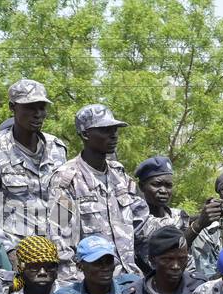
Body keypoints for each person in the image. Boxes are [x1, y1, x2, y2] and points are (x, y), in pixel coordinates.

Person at [47, 104, 150, 284]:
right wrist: (75, 291)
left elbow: (143, 223)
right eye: (105, 130)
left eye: (115, 130)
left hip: (130, 279)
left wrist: (195, 223)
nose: (114, 135)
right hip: (91, 284)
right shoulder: (66, 179)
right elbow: (59, 240)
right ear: (86, 134)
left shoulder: (119, 175)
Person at [0, 78, 68, 250]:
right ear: (12, 107)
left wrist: (64, 245)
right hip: (14, 252)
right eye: (30, 107)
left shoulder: (56, 148)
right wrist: (6, 251)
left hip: (55, 254)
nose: (37, 114)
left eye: (42, 107)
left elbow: (64, 203)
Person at [132, 156, 221, 275]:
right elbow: (171, 248)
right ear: (142, 186)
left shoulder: (175, 214)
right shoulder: (137, 217)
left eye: (168, 185)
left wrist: (210, 210)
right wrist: (199, 224)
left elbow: (183, 220)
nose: (163, 190)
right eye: (157, 184)